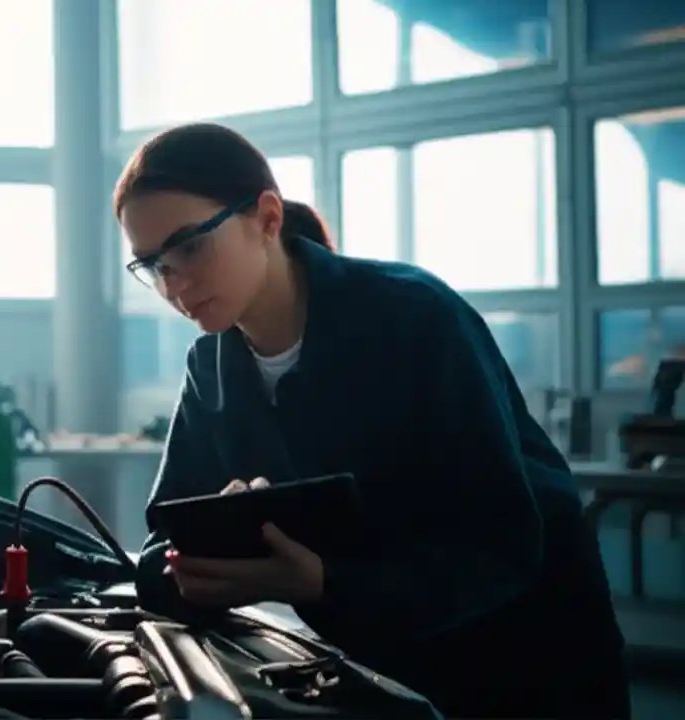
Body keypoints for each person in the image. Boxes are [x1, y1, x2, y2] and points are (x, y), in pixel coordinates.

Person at [116, 122, 629, 719]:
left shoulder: (414, 317)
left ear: (267, 218)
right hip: (382, 674)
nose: (174, 283)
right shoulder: (212, 366)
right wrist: (194, 563)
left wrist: (321, 582)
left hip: (530, 668)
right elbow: (162, 549)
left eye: (190, 246)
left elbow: (501, 547)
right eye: (153, 265)